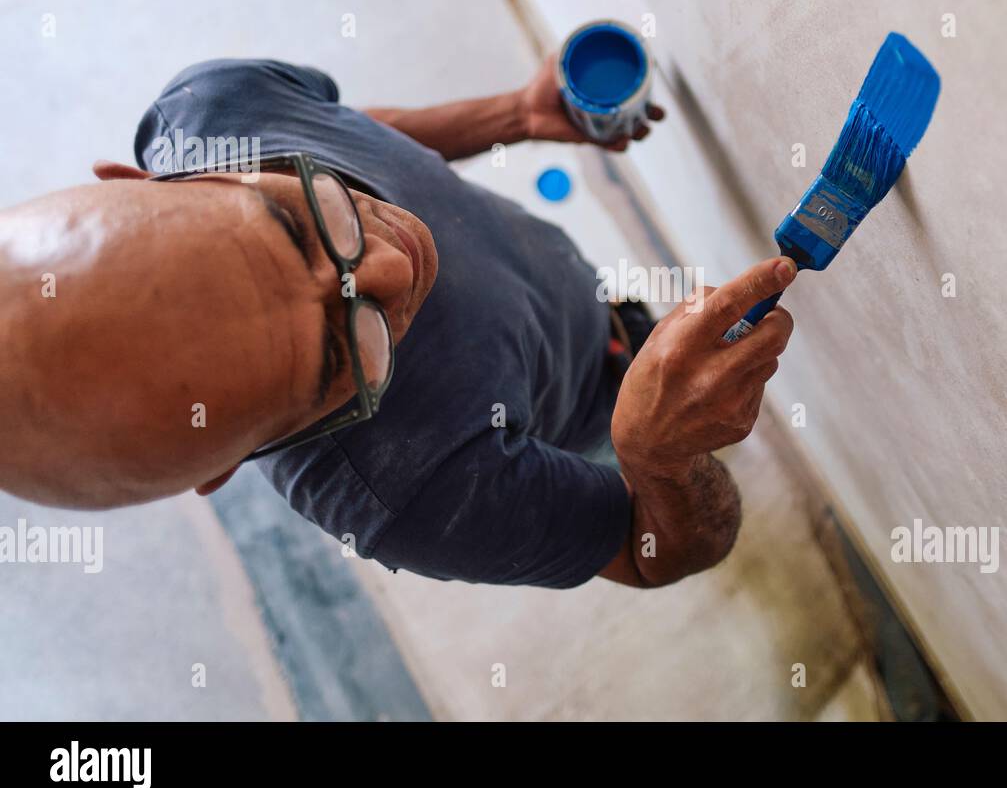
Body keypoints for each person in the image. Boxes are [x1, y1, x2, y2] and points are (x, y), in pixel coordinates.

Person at [0, 58, 796, 588]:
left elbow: (342, 124)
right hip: (591, 402)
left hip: (579, 308)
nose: (392, 267)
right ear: (225, 463)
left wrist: (515, 113)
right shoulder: (412, 493)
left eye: (299, 223)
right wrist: (656, 461)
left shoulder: (214, 110)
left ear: (154, 179)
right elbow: (658, 556)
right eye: (342, 350)